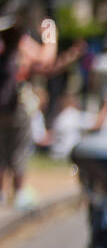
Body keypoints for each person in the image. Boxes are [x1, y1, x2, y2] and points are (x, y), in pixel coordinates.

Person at [0, 16, 59, 205]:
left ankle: (1, 192)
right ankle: (19, 193)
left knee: (1, 151)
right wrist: (50, 35)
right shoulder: (19, 50)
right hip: (16, 109)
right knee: (18, 151)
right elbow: (45, 61)